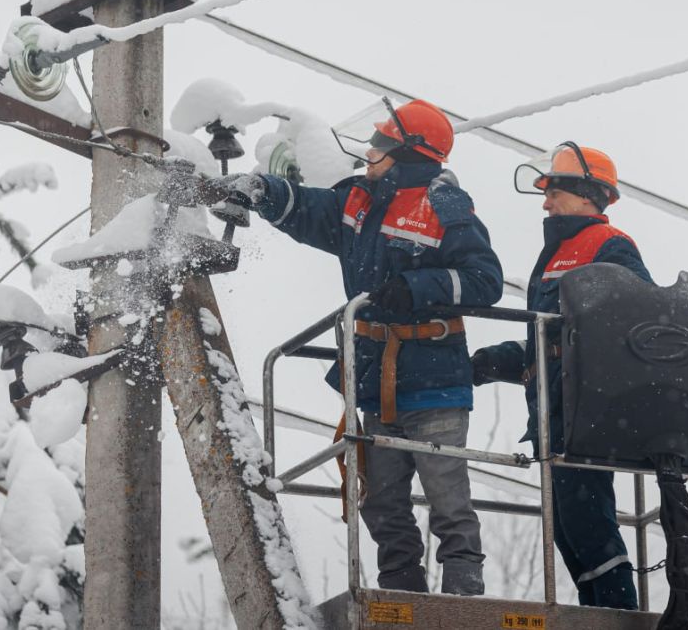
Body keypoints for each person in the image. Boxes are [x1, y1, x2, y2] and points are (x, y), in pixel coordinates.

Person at [217, 97, 503, 595]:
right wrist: (263, 189)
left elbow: (485, 280)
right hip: (376, 380)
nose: (369, 150)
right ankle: (402, 590)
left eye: (380, 143)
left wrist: (416, 289)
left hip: (434, 379)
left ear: (409, 152)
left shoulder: (443, 206)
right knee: (381, 501)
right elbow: (309, 209)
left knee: (447, 498)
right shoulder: (360, 201)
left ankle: (463, 593)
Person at [471, 142, 650, 609]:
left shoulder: (610, 245)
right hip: (555, 414)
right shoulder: (555, 255)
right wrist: (493, 361)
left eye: (553, 193)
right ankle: (598, 612)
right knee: (569, 530)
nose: (546, 203)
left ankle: (616, 617)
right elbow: (547, 342)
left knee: (588, 524)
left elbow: (639, 320)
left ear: (588, 194)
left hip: (585, 414)